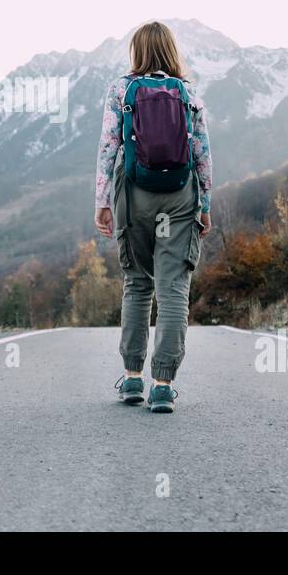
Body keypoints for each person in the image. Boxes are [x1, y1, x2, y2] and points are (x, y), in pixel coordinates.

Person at [93, 21, 212, 413]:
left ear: (137, 51)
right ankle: (162, 384)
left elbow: (109, 147)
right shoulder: (188, 93)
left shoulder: (120, 90)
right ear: (172, 51)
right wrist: (205, 205)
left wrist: (103, 201)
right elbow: (202, 153)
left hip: (134, 194)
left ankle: (131, 379)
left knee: (138, 283)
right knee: (173, 287)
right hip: (179, 196)